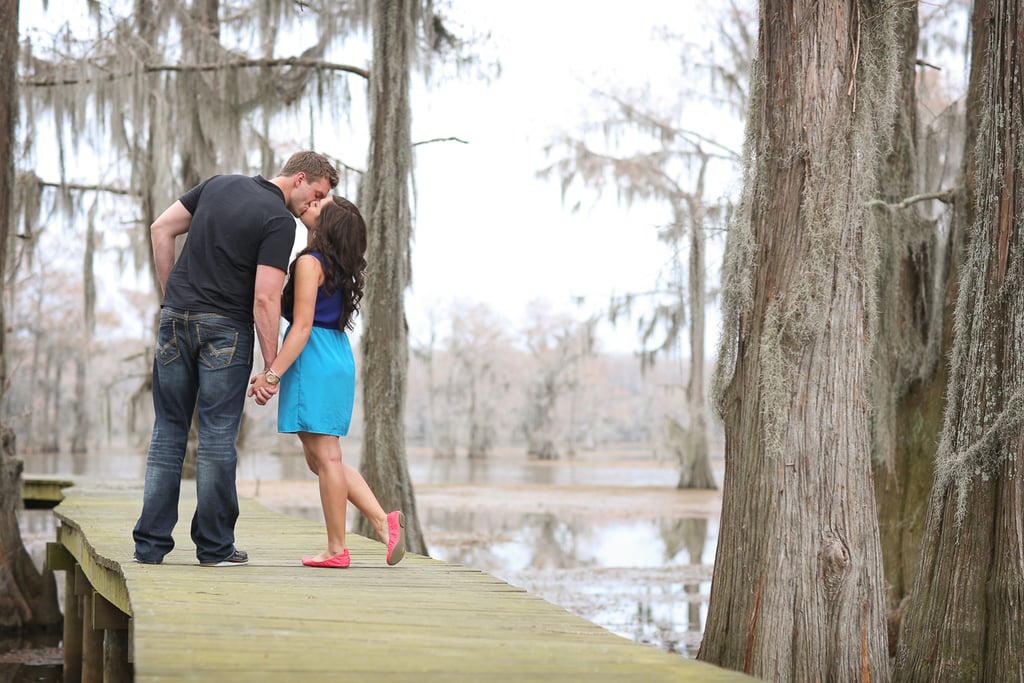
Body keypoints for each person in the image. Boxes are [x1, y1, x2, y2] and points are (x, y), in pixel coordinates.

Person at [133, 151, 339, 567]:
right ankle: (213, 548)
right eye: (315, 194)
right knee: (215, 437)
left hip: (175, 319)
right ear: (300, 178)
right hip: (225, 329)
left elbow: (160, 229)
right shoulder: (280, 221)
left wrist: (172, 295)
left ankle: (150, 547)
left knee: (168, 431)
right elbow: (265, 298)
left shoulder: (218, 183)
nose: (310, 208)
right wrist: (271, 367)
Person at [249, 196, 406, 569]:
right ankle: (384, 523)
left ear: (329, 225)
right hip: (336, 353)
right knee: (322, 459)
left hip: (314, 356)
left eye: (321, 205)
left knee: (326, 458)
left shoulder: (308, 263)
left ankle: (338, 548)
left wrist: (272, 373)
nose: (312, 204)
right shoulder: (339, 266)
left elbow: (301, 327)